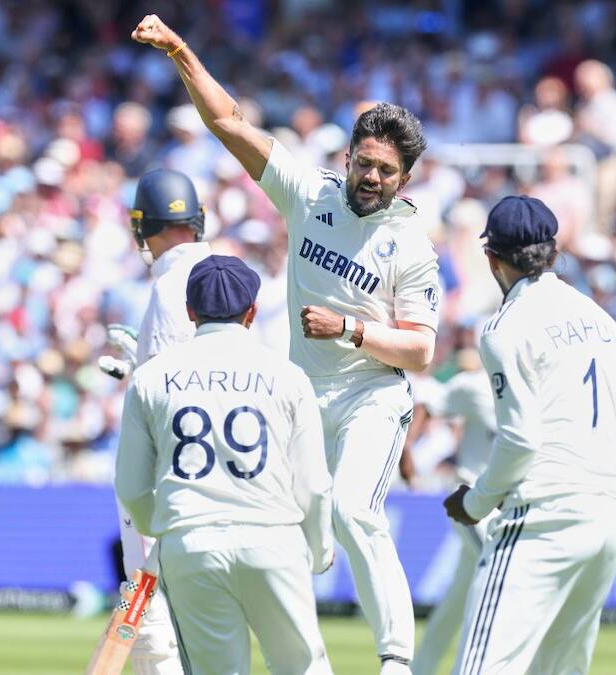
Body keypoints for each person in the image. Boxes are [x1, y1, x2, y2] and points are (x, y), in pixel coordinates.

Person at [132, 15, 441, 673]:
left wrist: (352, 329)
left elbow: (420, 351)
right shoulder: (309, 196)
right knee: (278, 535)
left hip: (371, 396)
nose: (371, 178)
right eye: (364, 163)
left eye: (386, 171)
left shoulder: (411, 249)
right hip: (302, 400)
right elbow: (230, 125)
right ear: (348, 156)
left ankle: (394, 660)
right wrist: (182, 50)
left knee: (356, 512)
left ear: (405, 179)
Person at [443, 196, 616, 674]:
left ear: (492, 258)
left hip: (543, 517)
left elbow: (521, 440)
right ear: (553, 253)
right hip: (608, 515)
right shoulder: (605, 322)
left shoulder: (504, 328)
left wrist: (475, 504)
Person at [115, 255, 335, 675]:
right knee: (304, 669)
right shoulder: (288, 376)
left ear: (190, 311)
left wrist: (164, 529)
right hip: (272, 539)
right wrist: (320, 549)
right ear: (252, 311)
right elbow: (314, 484)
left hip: (192, 544)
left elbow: (131, 488)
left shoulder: (150, 378)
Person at [102, 167, 211, 675]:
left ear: (141, 227)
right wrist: (136, 367)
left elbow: (172, 393)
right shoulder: (219, 270)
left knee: (147, 611)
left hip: (165, 473)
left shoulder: (170, 286)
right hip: (222, 468)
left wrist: (139, 378)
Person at [409, 347, 499, 675]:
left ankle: (418, 670)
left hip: (504, 510)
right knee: (497, 577)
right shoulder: (473, 385)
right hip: (469, 502)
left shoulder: (534, 387)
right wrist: (407, 452)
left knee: (456, 602)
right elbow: (429, 405)